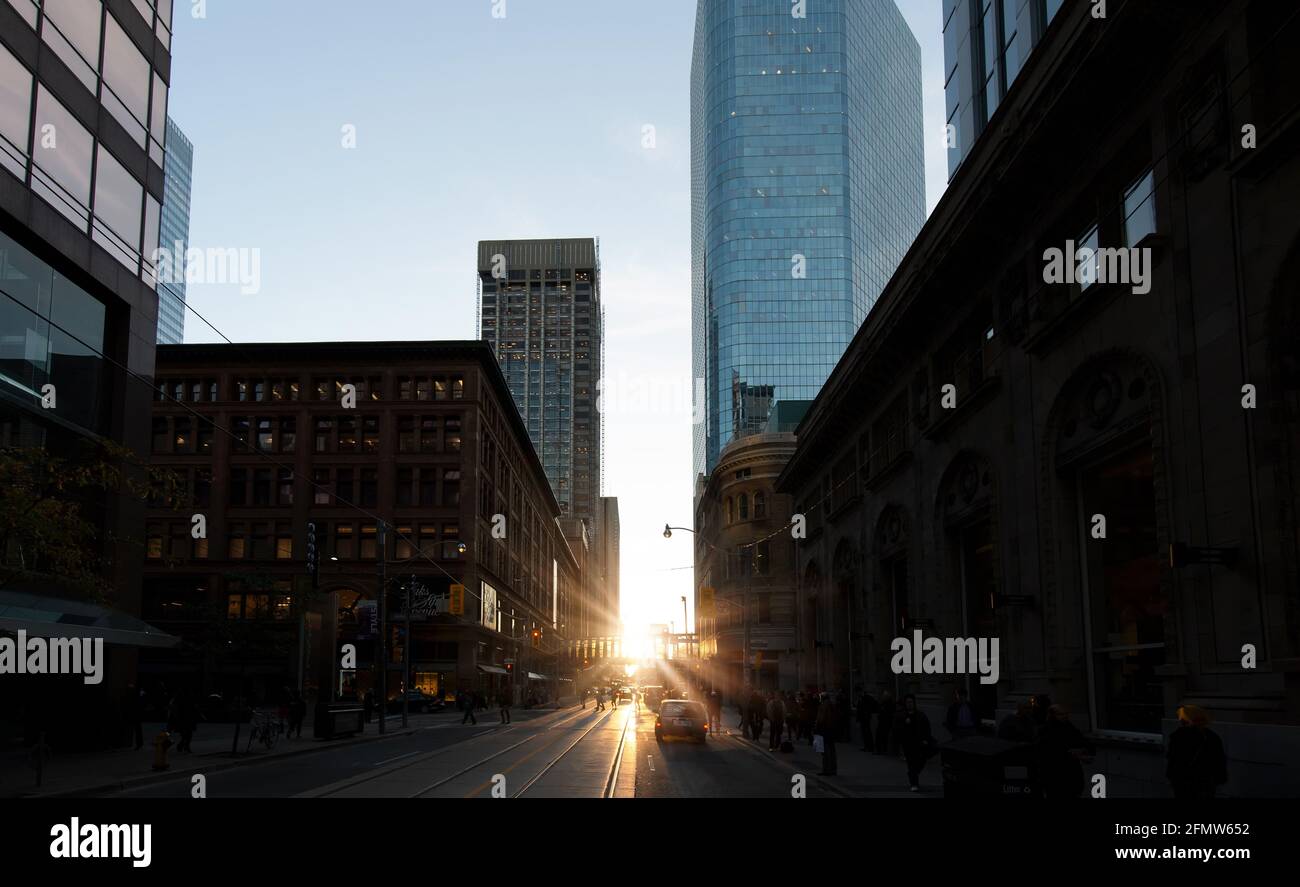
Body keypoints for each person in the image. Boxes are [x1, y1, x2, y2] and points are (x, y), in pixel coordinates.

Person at [1166, 704, 1227, 799]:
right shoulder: (1212, 736)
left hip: (1185, 781)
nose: (1180, 720)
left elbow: (1173, 759)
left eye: (1183, 717)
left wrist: (1172, 777)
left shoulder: (1180, 736)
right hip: (1205, 782)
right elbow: (1219, 760)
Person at [1036, 704, 1095, 798]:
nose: (1065, 716)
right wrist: (1072, 753)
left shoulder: (1069, 727)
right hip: (1055, 774)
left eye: (1066, 713)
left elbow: (1082, 741)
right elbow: (1048, 752)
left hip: (1071, 773)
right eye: (1061, 714)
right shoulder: (1046, 730)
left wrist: (1084, 750)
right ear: (1053, 715)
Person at [899, 694, 935, 792]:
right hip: (908, 745)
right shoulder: (902, 716)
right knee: (911, 763)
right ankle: (914, 784)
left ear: (914, 703)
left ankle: (912, 774)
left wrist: (926, 739)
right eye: (907, 702)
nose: (909, 704)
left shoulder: (920, 715)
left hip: (920, 743)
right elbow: (898, 730)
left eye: (911, 702)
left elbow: (927, 728)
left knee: (921, 761)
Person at [814, 693, 838, 775]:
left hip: (824, 730)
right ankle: (832, 769)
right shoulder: (831, 705)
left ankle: (826, 770)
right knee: (831, 750)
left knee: (824, 750)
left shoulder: (824, 705)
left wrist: (817, 727)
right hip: (831, 730)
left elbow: (821, 718)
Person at [122, 683, 144, 750]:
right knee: (137, 729)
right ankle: (138, 743)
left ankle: (131, 743)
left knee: (133, 729)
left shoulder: (130, 697)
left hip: (133, 714)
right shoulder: (136, 696)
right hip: (135, 714)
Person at [876, 691, 896, 755]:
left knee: (883, 736)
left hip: (886, 722)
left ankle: (883, 750)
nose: (882, 697)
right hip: (882, 721)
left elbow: (889, 713)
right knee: (880, 736)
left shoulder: (889, 704)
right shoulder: (883, 703)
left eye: (884, 696)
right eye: (883, 696)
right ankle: (881, 749)